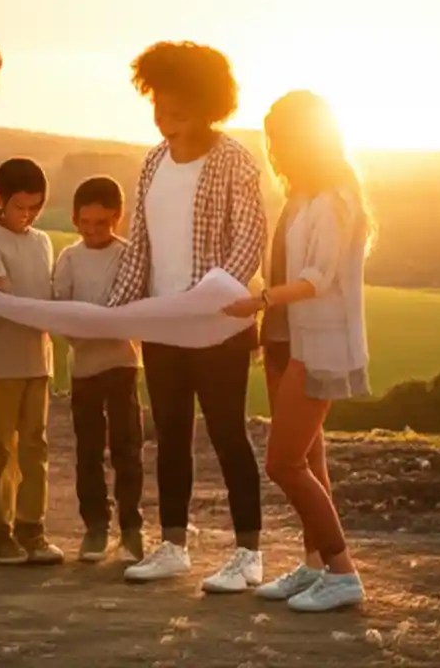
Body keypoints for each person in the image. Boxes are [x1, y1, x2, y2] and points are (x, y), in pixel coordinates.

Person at [107, 41, 268, 593]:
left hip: (218, 325)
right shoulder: (152, 160)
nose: (164, 117)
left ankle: (249, 554)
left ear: (207, 105)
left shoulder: (235, 160)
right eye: (157, 105)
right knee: (170, 434)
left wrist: (209, 300)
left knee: (227, 434)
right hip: (163, 324)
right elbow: (139, 250)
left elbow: (250, 240)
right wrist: (115, 314)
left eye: (176, 108)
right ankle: (172, 545)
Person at [223, 89, 373, 611]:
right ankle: (314, 567)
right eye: (272, 141)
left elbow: (317, 278)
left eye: (284, 140)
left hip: (318, 346)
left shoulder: (334, 202)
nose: (276, 151)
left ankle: (343, 572)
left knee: (282, 464)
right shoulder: (301, 198)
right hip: (284, 341)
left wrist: (257, 300)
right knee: (310, 460)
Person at [0, 157, 64, 565]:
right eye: (20, 207)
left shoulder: (42, 241)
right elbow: (3, 296)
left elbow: (51, 294)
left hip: (38, 361)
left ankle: (32, 527)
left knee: (35, 447)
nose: (27, 216)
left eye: (35, 208)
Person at [52, 176, 145, 564]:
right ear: (75, 219)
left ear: (117, 219)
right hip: (84, 368)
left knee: (126, 446)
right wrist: (81, 330)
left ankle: (131, 527)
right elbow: (60, 305)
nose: (92, 232)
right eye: (85, 224)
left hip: (122, 364)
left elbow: (137, 302)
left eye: (101, 224)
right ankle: (95, 527)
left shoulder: (128, 255)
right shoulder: (69, 258)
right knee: (88, 449)